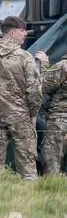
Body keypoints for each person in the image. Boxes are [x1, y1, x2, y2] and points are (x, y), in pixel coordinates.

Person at [0, 16, 42, 181]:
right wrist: (33, 114)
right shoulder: (25, 57)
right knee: (27, 164)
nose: (25, 35)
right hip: (20, 117)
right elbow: (34, 90)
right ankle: (29, 200)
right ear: (12, 32)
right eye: (22, 31)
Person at [38, 46, 67, 177]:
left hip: (60, 120)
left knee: (52, 161)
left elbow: (43, 86)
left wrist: (44, 64)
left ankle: (51, 189)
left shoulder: (63, 66)